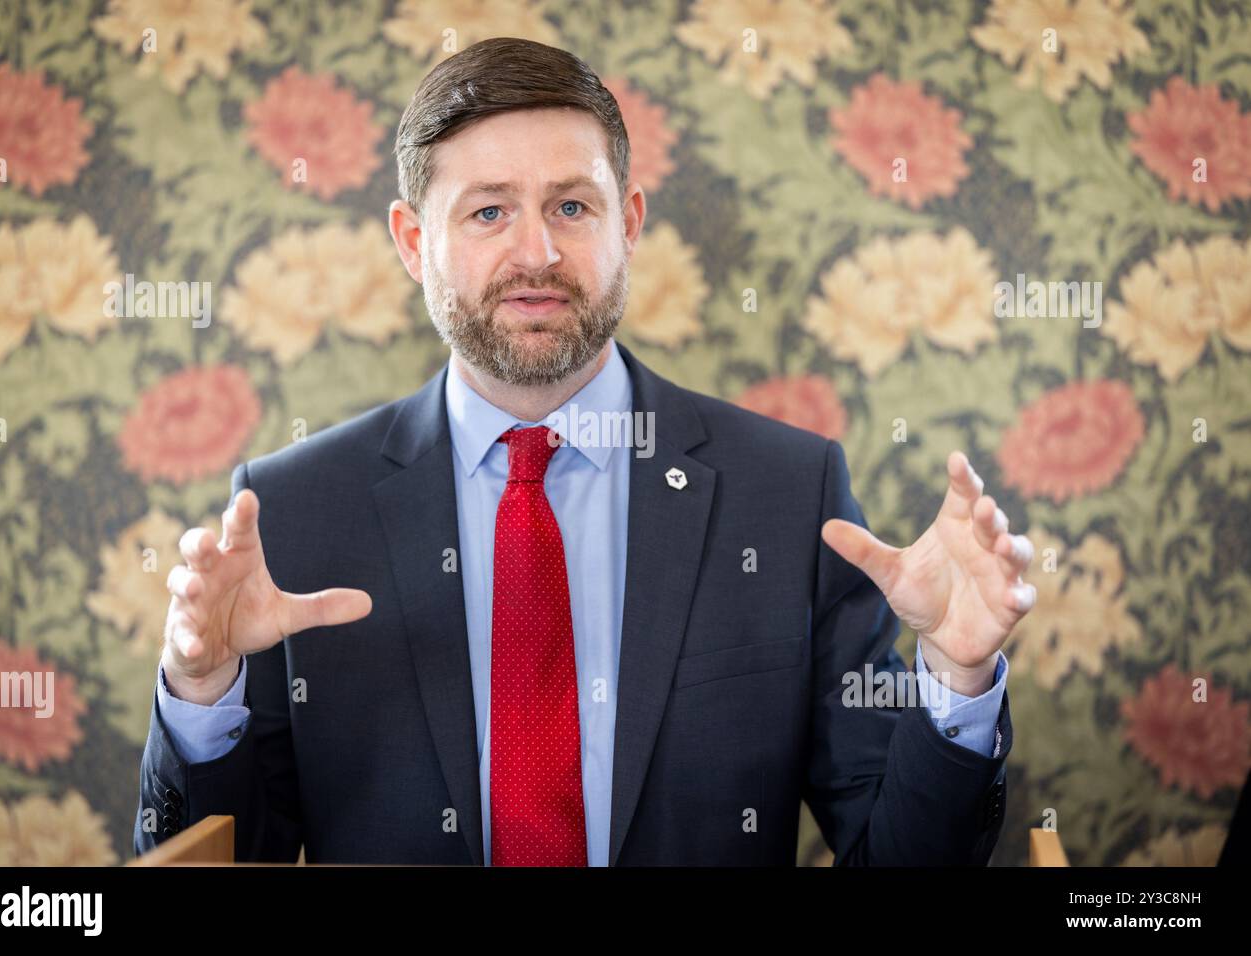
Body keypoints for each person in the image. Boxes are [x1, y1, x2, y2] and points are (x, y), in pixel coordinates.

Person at [134, 37, 1035, 866]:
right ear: (414, 243)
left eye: (573, 205)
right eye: (489, 212)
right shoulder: (296, 510)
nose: (539, 251)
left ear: (629, 223)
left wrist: (955, 677)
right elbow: (232, 863)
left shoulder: (789, 494)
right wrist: (205, 692)